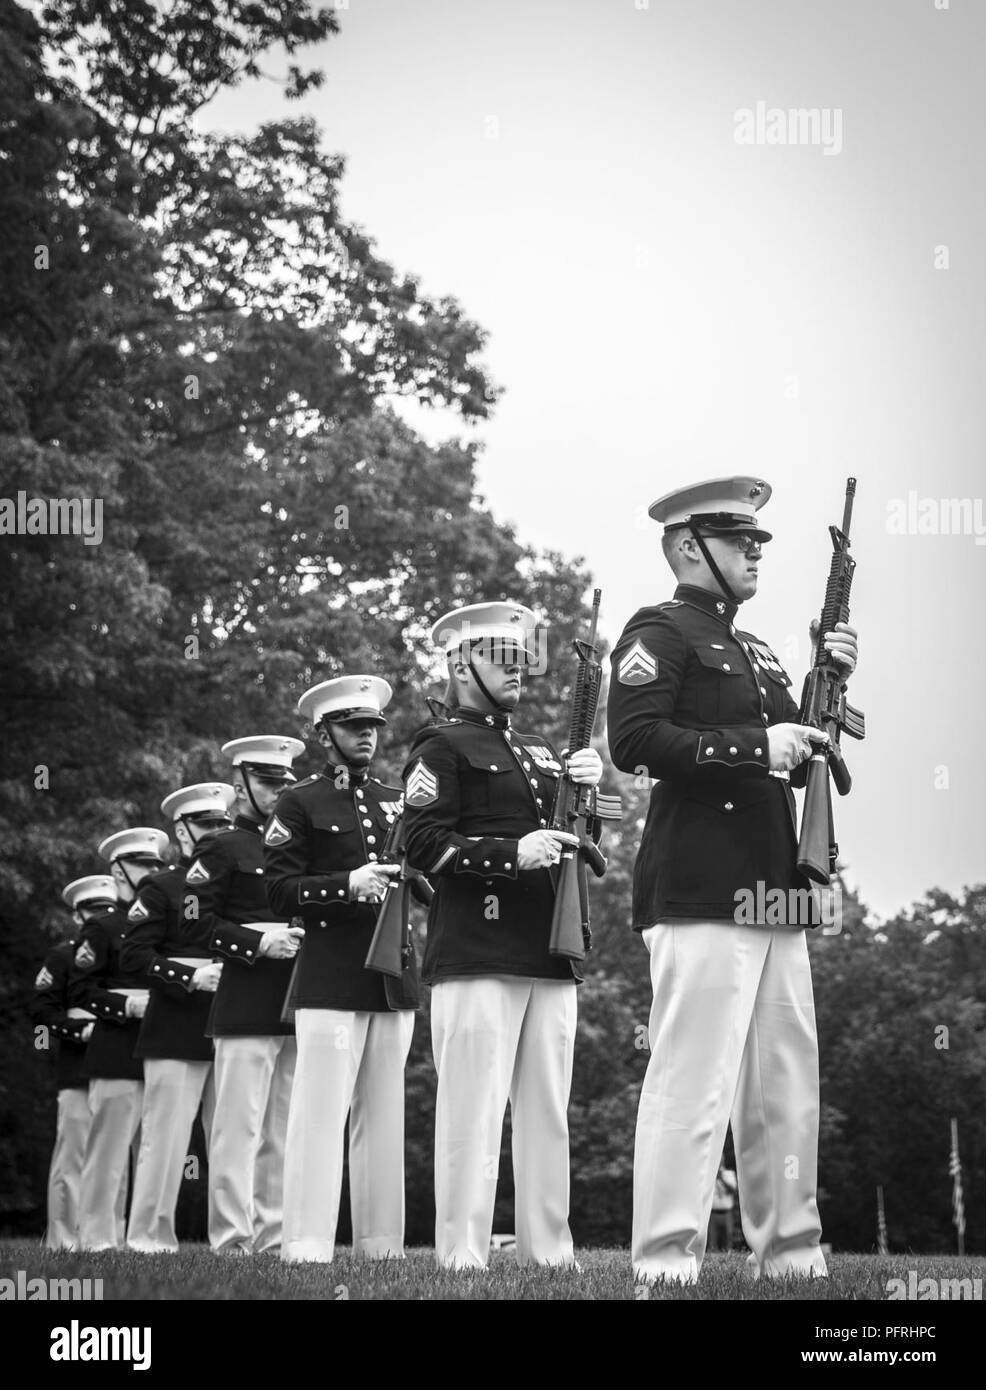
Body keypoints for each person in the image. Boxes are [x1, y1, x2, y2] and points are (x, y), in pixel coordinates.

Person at [607, 476, 859, 1284]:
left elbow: (811, 751)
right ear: (688, 548)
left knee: (786, 1087)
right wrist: (758, 746)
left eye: (758, 541)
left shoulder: (758, 650)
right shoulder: (660, 631)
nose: (755, 552)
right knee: (693, 1082)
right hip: (700, 884)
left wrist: (830, 679)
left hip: (775, 885)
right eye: (739, 540)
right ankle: (664, 1259)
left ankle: (790, 1252)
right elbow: (636, 739)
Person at [402, 602, 603, 1270]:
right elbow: (422, 843)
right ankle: (461, 1253)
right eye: (502, 659)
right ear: (461, 665)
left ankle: (550, 1250)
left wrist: (587, 797)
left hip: (547, 948)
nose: (518, 670)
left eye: (522, 658)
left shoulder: (542, 752)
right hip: (475, 951)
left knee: (547, 1110)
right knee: (473, 1110)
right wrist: (509, 853)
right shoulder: (440, 747)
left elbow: (576, 845)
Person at [264, 676, 418, 1265]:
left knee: (383, 1119)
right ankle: (305, 1244)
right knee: (319, 1116)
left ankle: (382, 1246)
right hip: (330, 974)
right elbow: (279, 891)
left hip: (390, 976)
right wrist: (344, 886)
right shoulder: (299, 801)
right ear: (323, 735)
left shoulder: (395, 797)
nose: (367, 736)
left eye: (373, 726)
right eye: (354, 727)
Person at [188, 734, 306, 1256]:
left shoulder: (297, 842)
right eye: (267, 781)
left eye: (284, 782)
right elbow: (193, 924)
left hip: (298, 1000)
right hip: (245, 1000)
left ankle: (273, 1237)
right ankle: (232, 1240)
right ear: (240, 785)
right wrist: (257, 941)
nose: (278, 791)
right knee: (238, 1130)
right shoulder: (220, 846)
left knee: (282, 1130)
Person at [119, 783, 234, 1252]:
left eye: (222, 825)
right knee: (164, 1143)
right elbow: (133, 954)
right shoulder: (162, 885)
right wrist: (188, 977)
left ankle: (233, 1240)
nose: (217, 833)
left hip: (230, 1024)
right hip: (174, 1027)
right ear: (182, 832)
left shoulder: (235, 885)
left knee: (233, 1139)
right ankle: (149, 1238)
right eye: (207, 825)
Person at [71, 842, 165, 1250]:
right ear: (119, 870)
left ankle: (139, 1238)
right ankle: (95, 1238)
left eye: (154, 864)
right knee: (108, 1154)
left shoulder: (161, 919)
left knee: (152, 1152)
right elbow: (81, 990)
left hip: (159, 1044)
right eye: (140, 864)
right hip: (115, 1047)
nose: (149, 871)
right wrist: (126, 1004)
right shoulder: (103, 928)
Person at [33, 888, 100, 1250]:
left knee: (112, 1158)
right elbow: (42, 1015)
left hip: (121, 1062)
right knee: (72, 1154)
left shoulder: (120, 951)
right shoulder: (62, 957)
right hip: (76, 1064)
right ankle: (62, 1240)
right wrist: (76, 1031)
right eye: (93, 912)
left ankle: (103, 1236)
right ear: (77, 917)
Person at [708, 1161, 738, 1252]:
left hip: (727, 1213)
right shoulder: (708, 1174)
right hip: (712, 1214)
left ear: (723, 1160)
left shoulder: (729, 1174)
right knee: (712, 1240)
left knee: (728, 1238)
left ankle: (729, 1260)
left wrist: (721, 1179)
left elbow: (733, 1190)